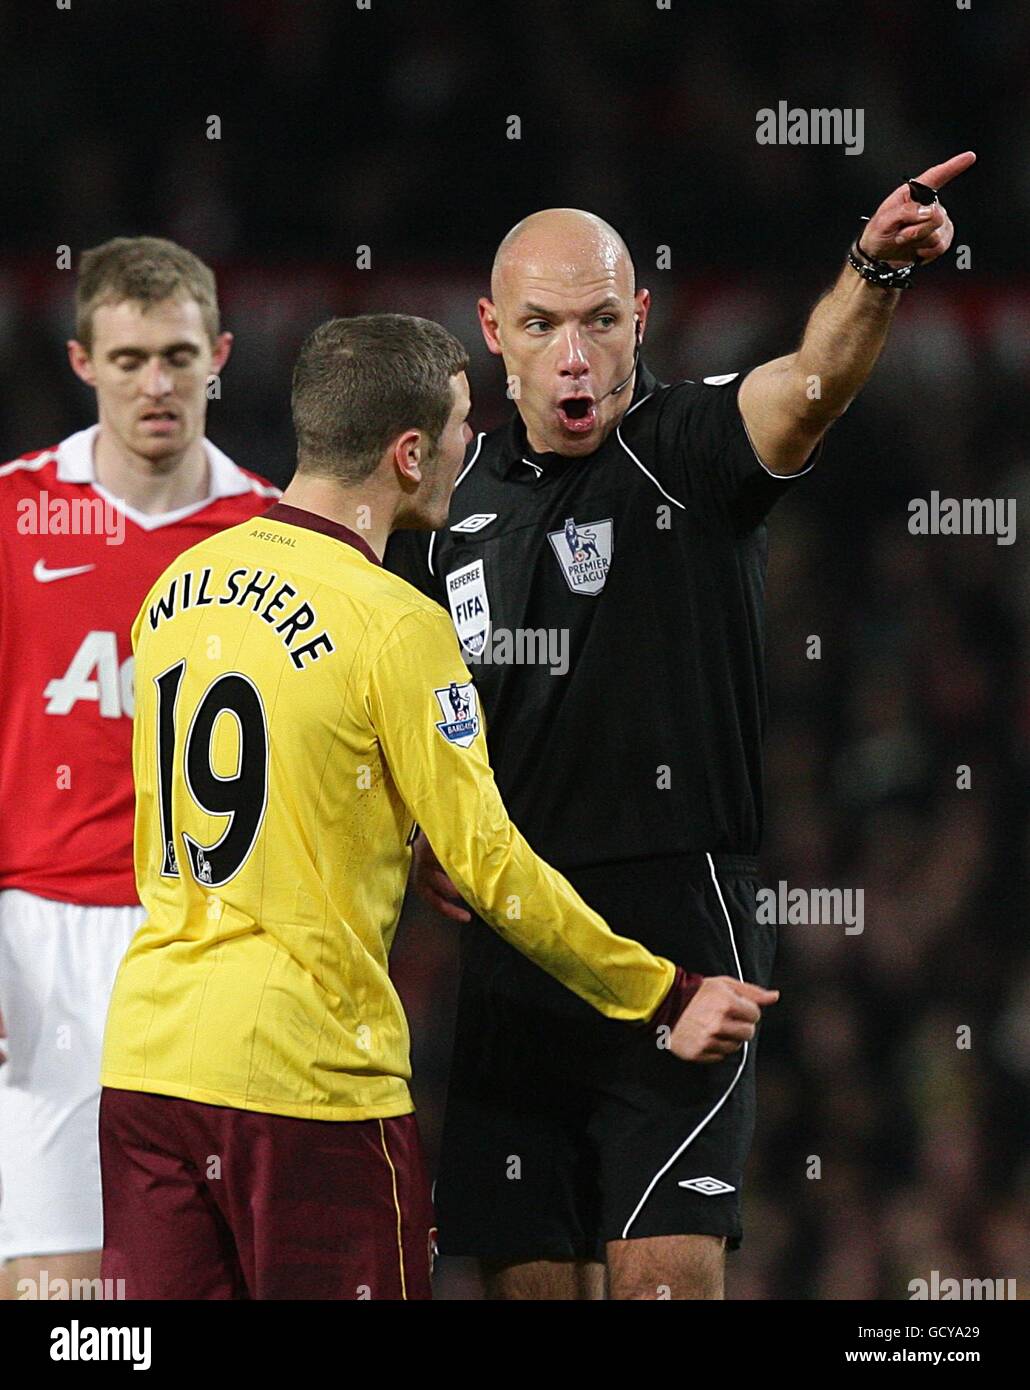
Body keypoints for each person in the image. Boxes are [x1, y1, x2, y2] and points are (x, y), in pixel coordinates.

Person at [386, 155, 975, 1300]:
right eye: (544, 324)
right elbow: (417, 704)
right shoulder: (451, 507)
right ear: (490, 331)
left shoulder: (689, 448)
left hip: (678, 927)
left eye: (602, 321)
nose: (575, 354)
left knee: (663, 1280)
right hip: (521, 940)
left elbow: (809, 384)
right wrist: (418, 830)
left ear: (640, 318)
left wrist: (869, 273)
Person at [97, 314, 769, 1301]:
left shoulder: (173, 588)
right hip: (308, 1080)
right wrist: (664, 992)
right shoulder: (398, 625)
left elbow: (193, 807)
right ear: (408, 453)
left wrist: (393, 836)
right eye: (463, 424)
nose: (475, 444)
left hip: (149, 1070)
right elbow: (495, 868)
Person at [0, 237, 279, 1301]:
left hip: (214, 944)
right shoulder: (15, 515)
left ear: (219, 354)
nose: (155, 385)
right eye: (127, 360)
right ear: (82, 363)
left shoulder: (267, 536)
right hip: (45, 941)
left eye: (176, 356)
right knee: (57, 1289)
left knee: (203, 1280)